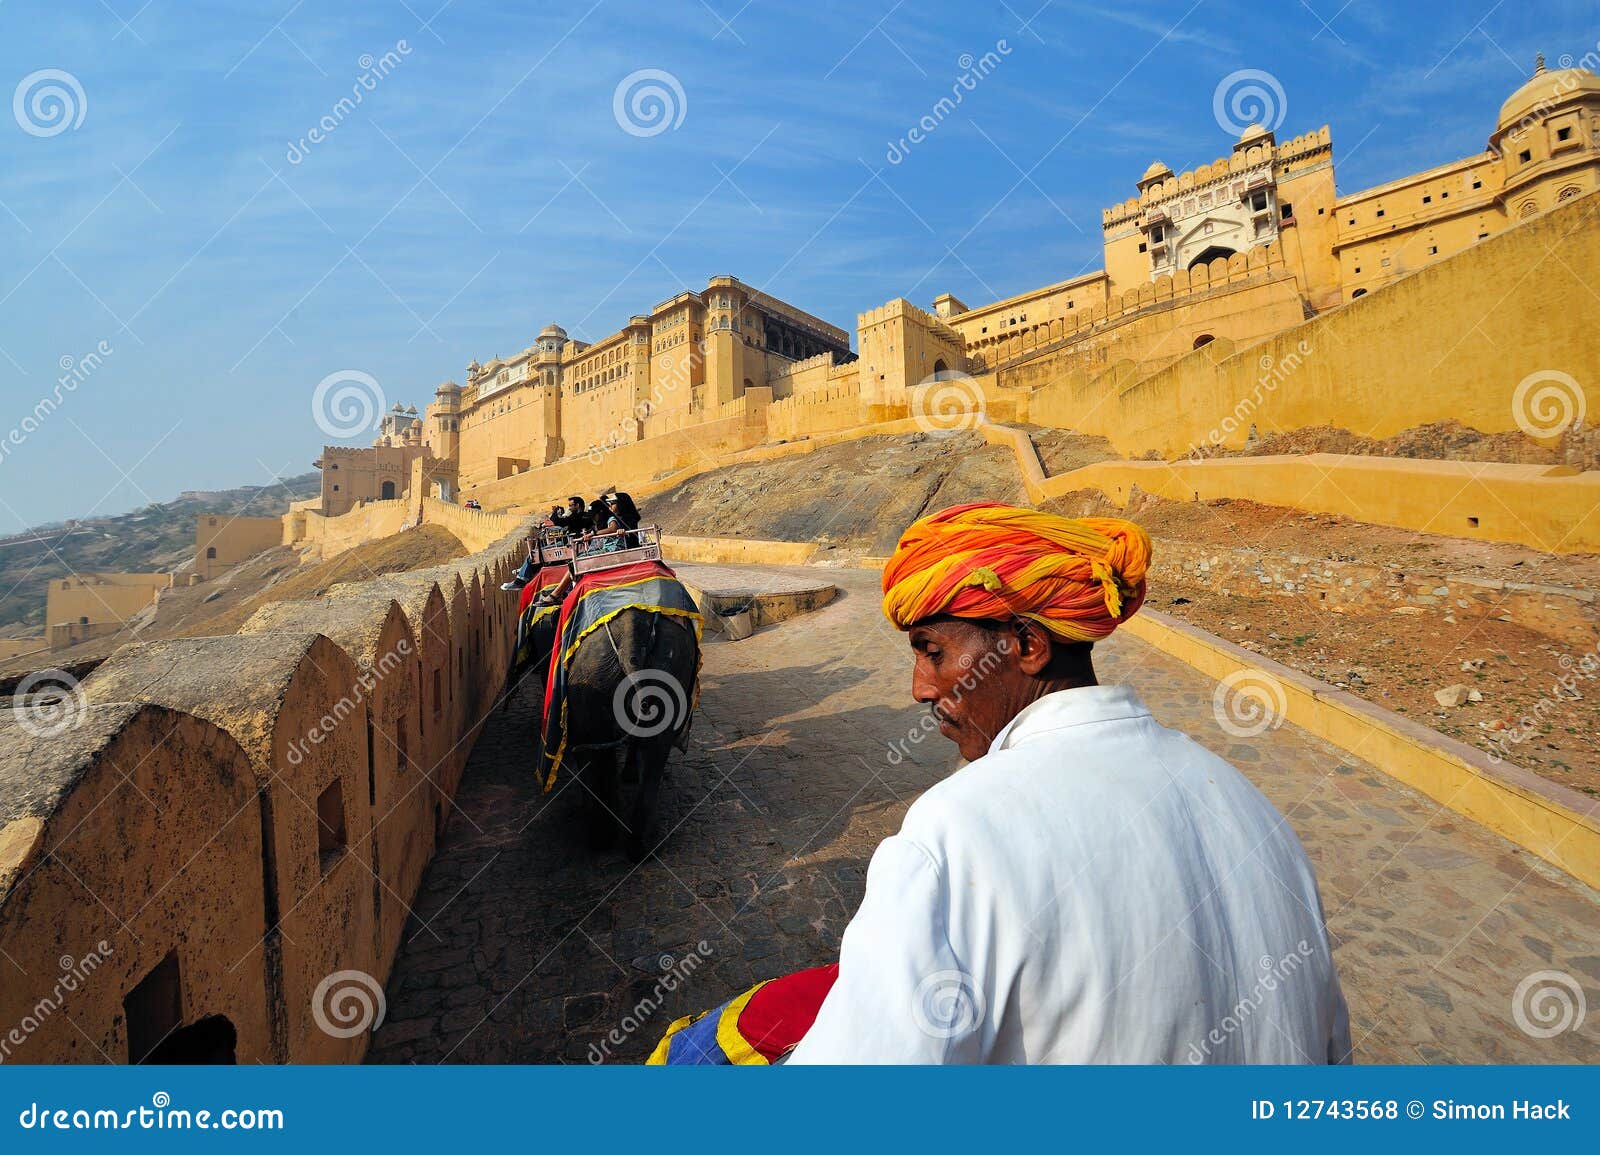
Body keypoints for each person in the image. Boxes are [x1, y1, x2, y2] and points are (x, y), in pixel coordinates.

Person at [787, 503, 1350, 1064]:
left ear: (1026, 646)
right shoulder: (1252, 807)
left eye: (934, 653)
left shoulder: (955, 833)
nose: (920, 688)